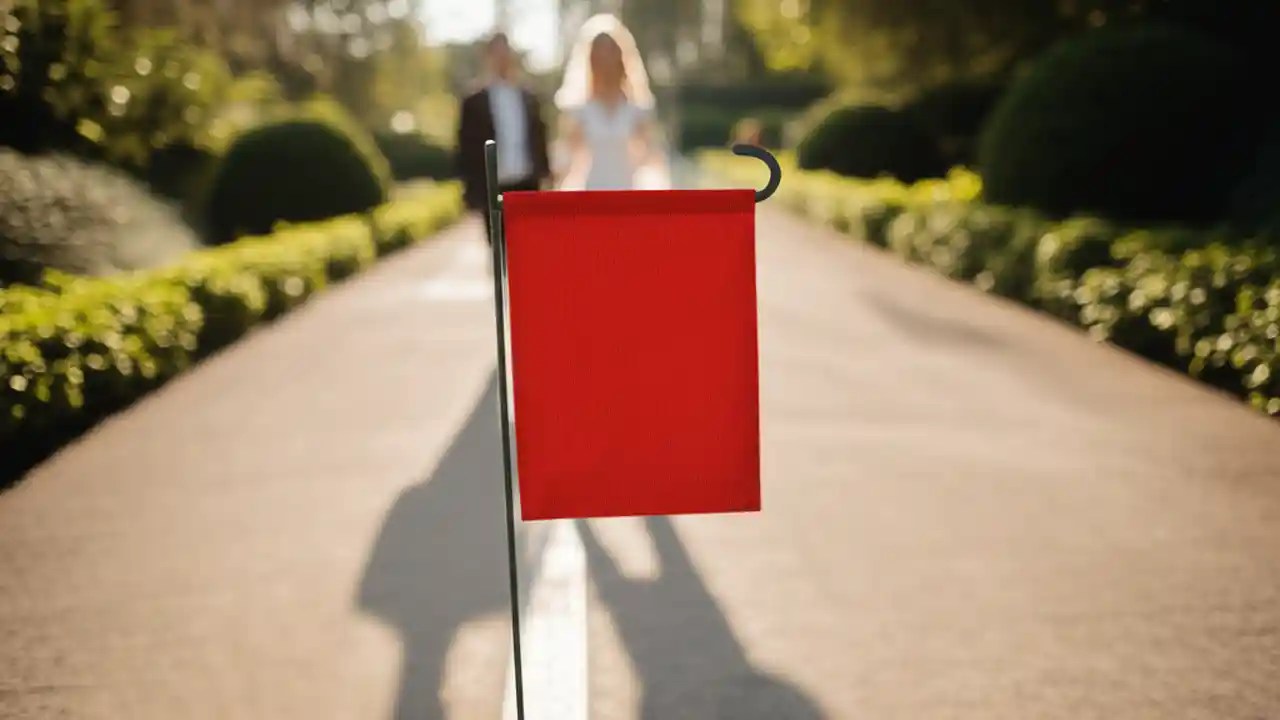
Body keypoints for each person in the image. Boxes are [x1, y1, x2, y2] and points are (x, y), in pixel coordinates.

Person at [553, 14, 667, 191]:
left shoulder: (636, 111)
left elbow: (653, 156)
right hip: (592, 192)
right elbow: (566, 158)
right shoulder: (581, 111)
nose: (605, 60)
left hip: (627, 191)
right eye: (600, 53)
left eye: (610, 52)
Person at [456, 32, 552, 241]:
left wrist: (546, 174)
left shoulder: (528, 97)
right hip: (493, 185)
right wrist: (470, 191)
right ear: (488, 57)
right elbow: (466, 147)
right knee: (499, 251)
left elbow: (539, 137)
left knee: (528, 246)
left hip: (526, 183)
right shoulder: (474, 101)